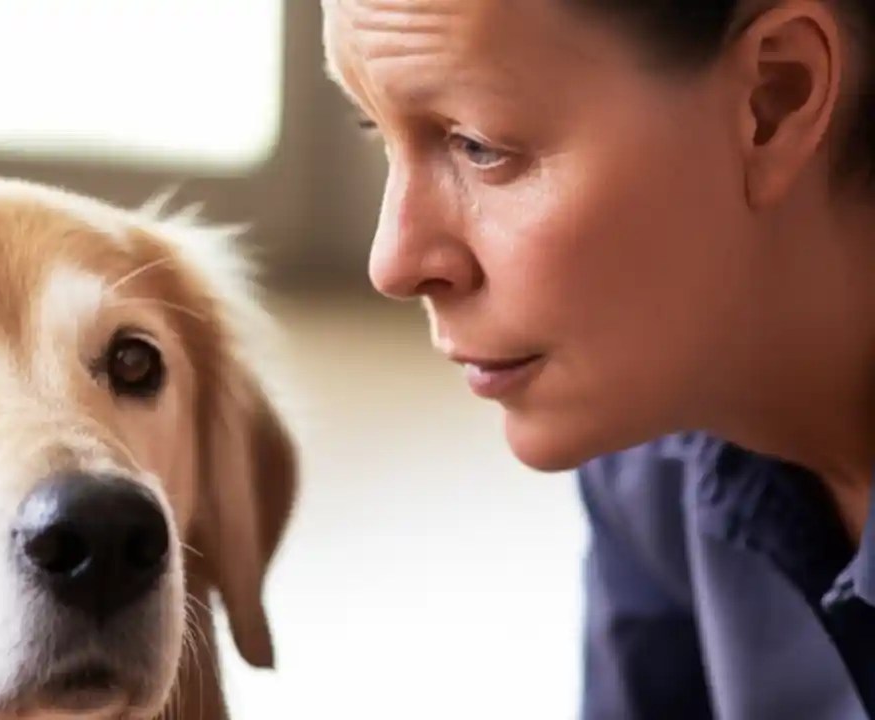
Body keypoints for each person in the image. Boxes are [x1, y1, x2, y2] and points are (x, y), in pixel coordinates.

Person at [320, 1, 875, 718]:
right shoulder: (650, 464)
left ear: (775, 97)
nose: (392, 263)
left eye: (478, 146)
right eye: (378, 131)